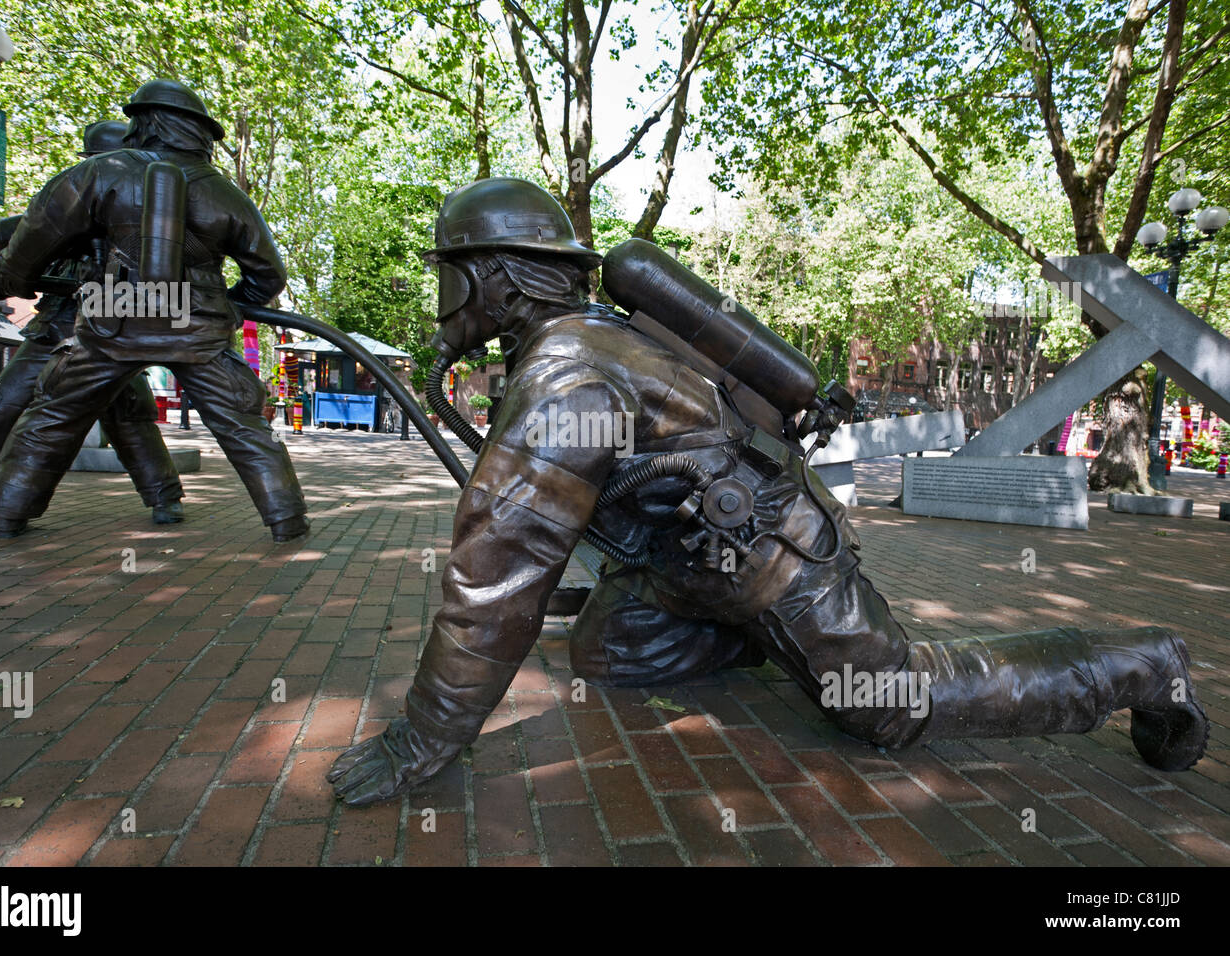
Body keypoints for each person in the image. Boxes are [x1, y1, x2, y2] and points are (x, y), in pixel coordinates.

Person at [328, 177, 1207, 806]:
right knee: (611, 651)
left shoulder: (566, 377)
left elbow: (496, 576)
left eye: (450, 272)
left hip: (775, 560)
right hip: (691, 565)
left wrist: (425, 735)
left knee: (890, 703)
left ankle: (1145, 665)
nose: (442, 293)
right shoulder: (584, 342)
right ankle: (740, 635)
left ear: (494, 278)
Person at [0, 80, 308, 541]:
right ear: (199, 133)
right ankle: (287, 521)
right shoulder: (226, 194)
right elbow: (268, 274)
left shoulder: (100, 173)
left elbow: (36, 235)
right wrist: (231, 306)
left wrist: (15, 280)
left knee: (54, 415)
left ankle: (8, 515)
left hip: (110, 322)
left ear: (145, 122)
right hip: (197, 328)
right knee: (245, 425)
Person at [0, 121, 185, 525]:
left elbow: (30, 229)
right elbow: (35, 259)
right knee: (126, 411)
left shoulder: (102, 201)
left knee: (3, 406)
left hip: (72, 325)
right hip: (107, 326)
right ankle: (164, 495)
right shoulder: (138, 205)